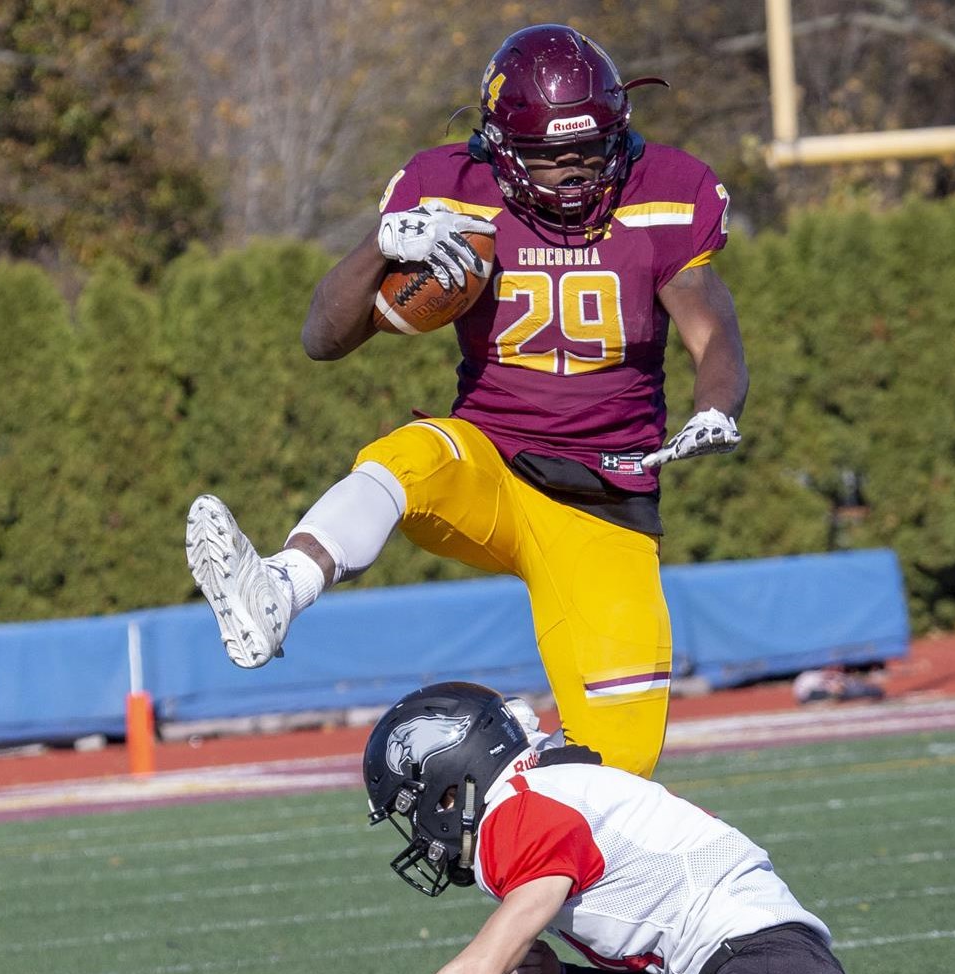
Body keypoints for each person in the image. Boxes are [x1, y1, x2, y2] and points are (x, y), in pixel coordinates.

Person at [186, 23, 749, 778]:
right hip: (493, 466)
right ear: (502, 149)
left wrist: (717, 406)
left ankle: (520, 785)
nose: (577, 169)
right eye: (551, 155)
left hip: (606, 502)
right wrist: (380, 246)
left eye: (593, 147)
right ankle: (282, 586)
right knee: (410, 457)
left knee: (622, 765)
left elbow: (713, 330)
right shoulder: (449, 187)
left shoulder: (666, 191)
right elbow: (322, 337)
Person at [231, 681, 856, 974]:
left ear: (452, 784)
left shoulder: (520, 813)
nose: (422, 832)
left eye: (418, 806)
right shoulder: (545, 787)